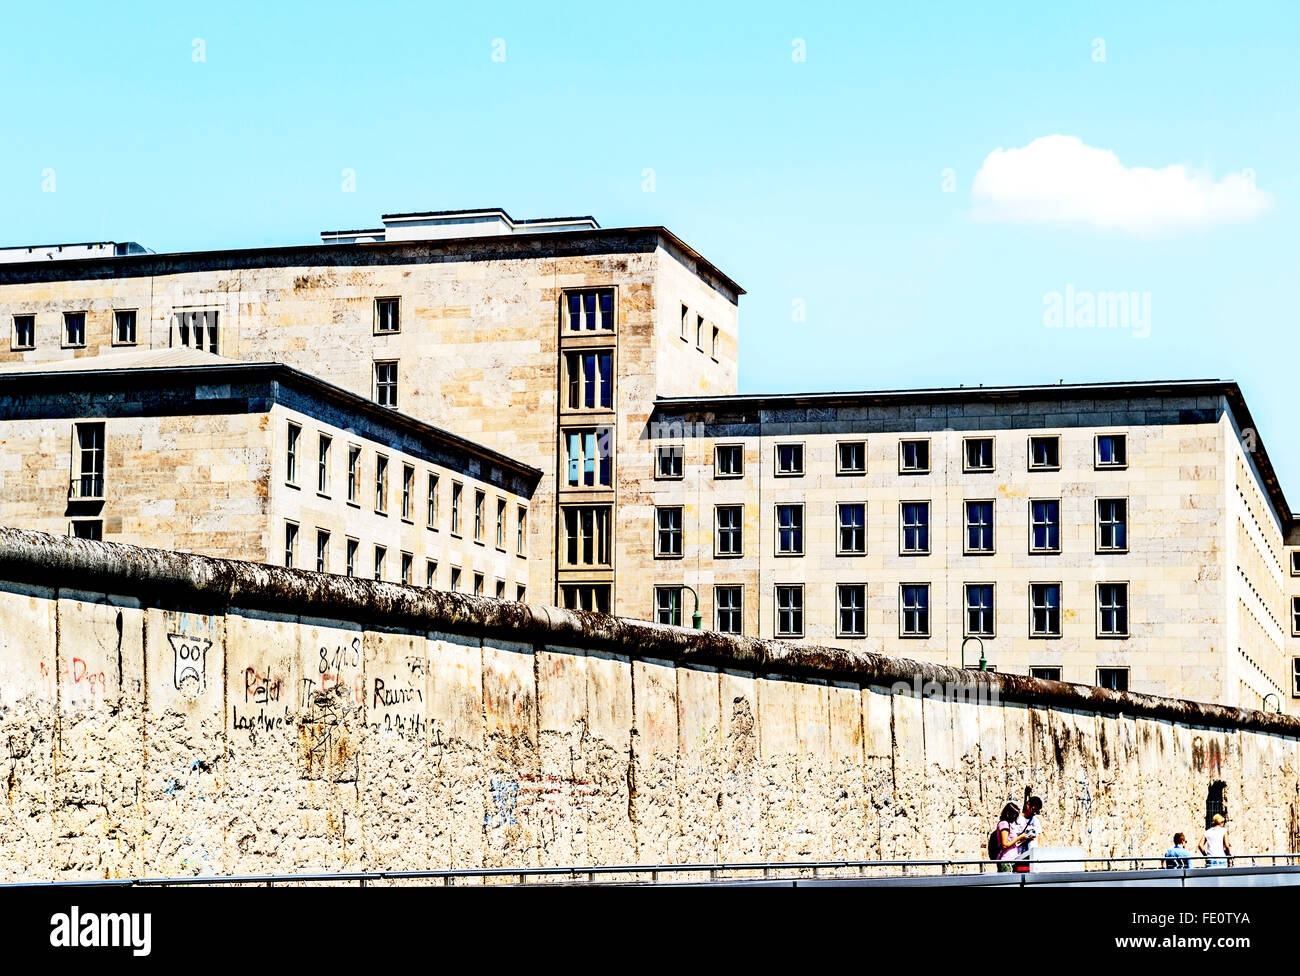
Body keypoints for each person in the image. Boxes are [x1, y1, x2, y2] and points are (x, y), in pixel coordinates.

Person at [993, 802, 1028, 872]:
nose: (1015, 818)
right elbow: (1005, 844)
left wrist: (1022, 840)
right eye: (1014, 815)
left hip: (1012, 860)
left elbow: (1011, 845)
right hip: (1006, 861)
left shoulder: (1008, 824)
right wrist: (1018, 838)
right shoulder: (1004, 824)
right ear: (1008, 814)